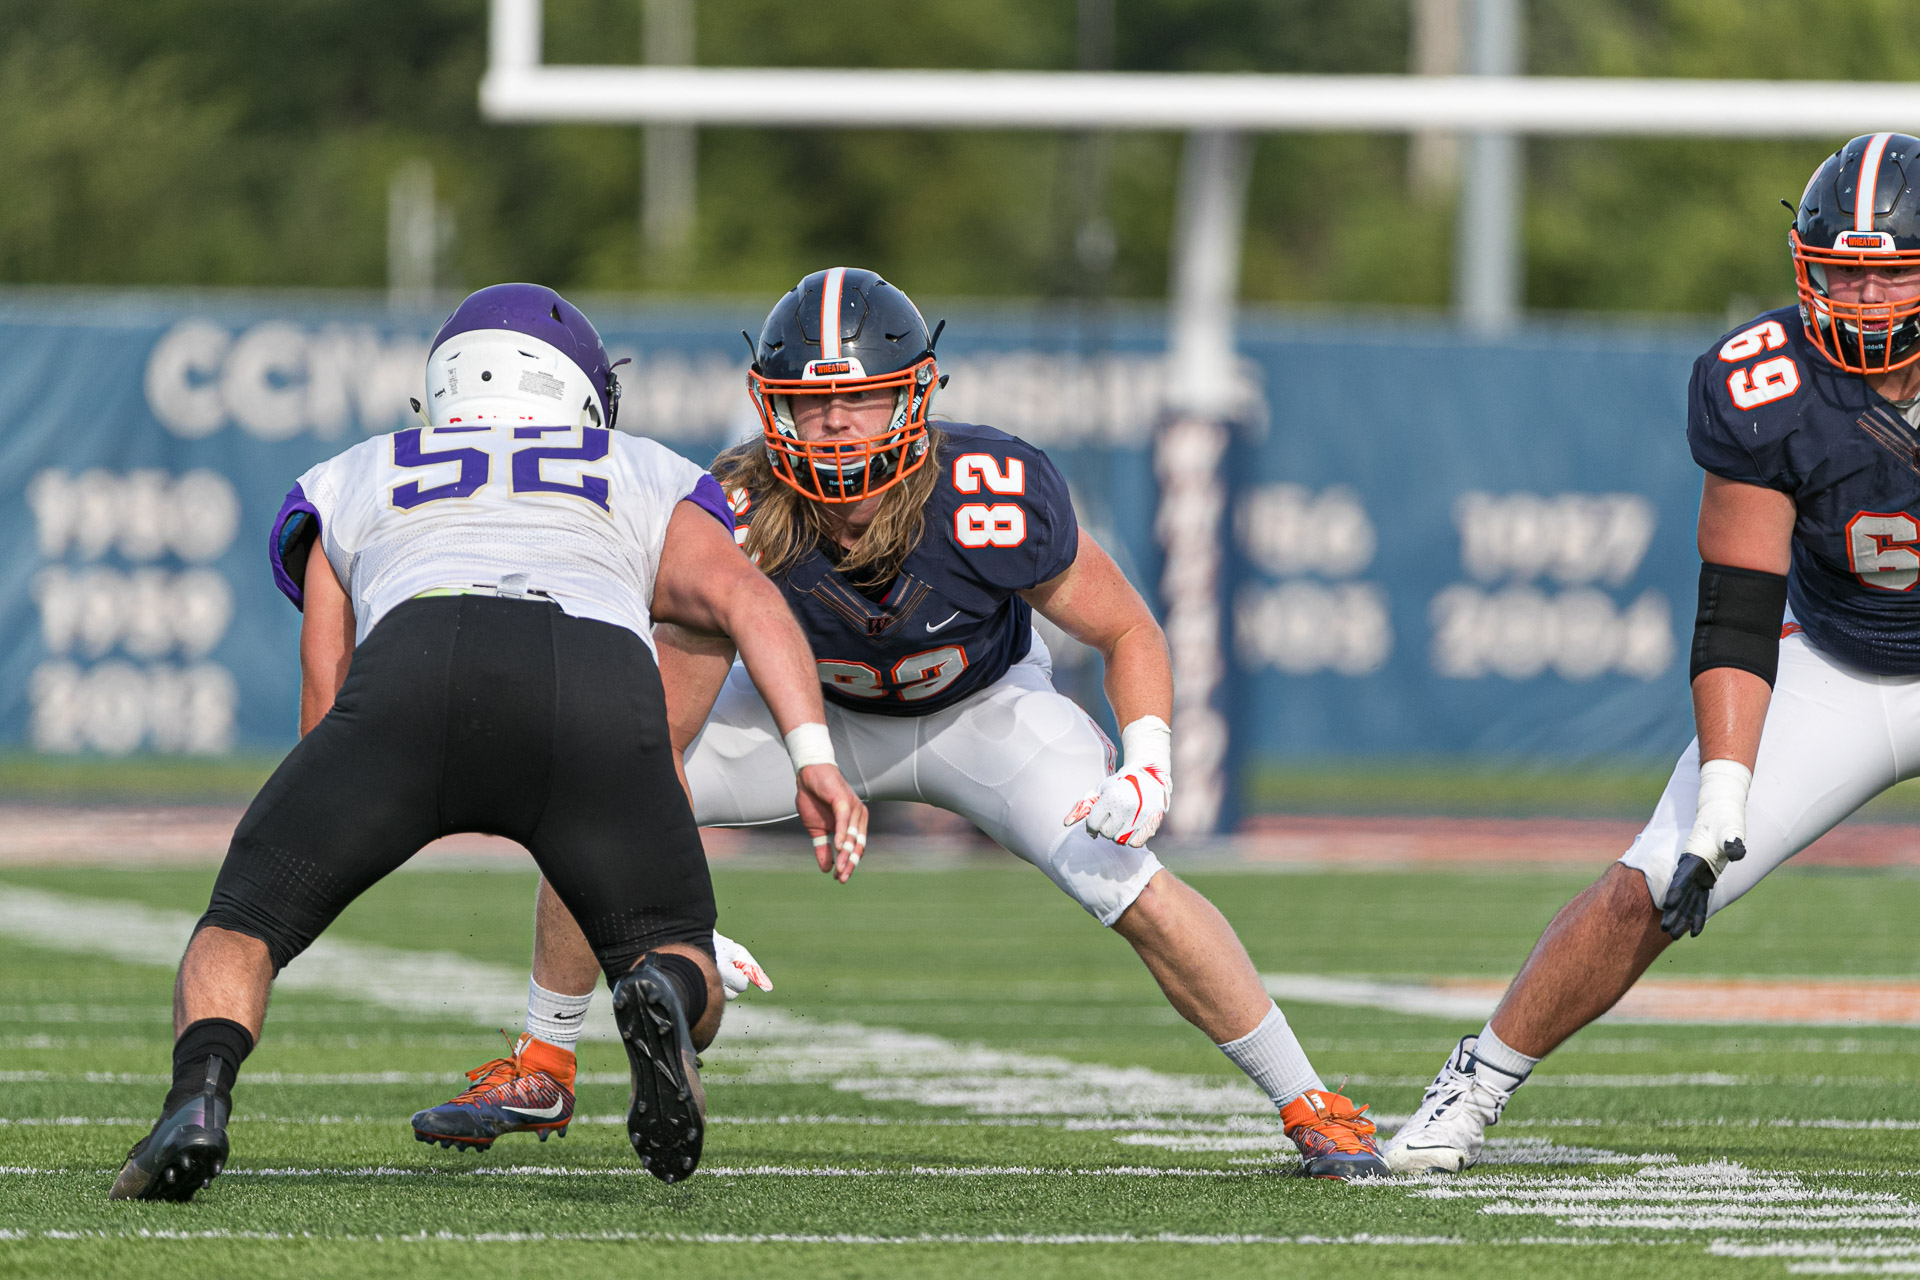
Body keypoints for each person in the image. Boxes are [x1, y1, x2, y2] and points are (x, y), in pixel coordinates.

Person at [412, 267, 1390, 1179]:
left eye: (859, 397)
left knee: (1128, 882)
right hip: (814, 723)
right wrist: (678, 909)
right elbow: (655, 743)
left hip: (987, 714)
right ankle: (543, 1063)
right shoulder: (740, 511)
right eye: (812, 403)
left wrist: (1149, 757)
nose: (836, 425)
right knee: (591, 787)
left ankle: (1305, 1096)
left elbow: (1128, 625)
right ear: (773, 407)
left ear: (912, 395)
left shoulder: (991, 492)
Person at [108, 283, 866, 1201]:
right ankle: (662, 986)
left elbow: (326, 695)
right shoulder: (642, 468)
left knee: (240, 930)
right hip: (592, 681)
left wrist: (327, 836)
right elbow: (749, 602)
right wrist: (813, 757)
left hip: (414, 673)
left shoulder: (356, 470)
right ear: (579, 394)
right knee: (680, 961)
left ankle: (197, 1102)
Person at [1385, 132, 1920, 1173]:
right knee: (1653, 879)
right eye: (1840, 270)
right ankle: (1474, 1084)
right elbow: (1737, 607)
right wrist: (1724, 795)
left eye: (1887, 271)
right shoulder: (1765, 385)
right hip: (1835, 662)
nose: (1859, 297)